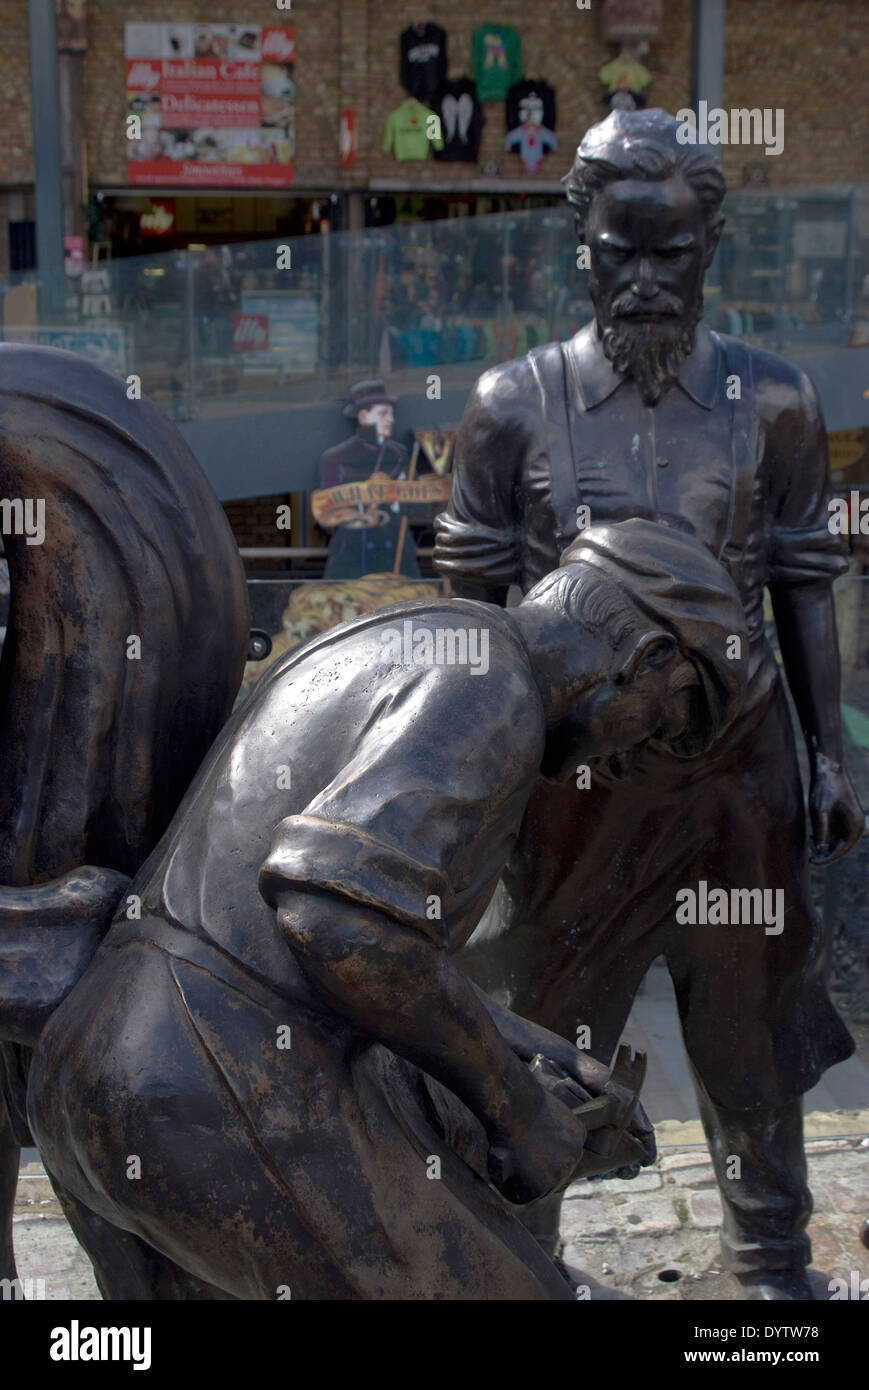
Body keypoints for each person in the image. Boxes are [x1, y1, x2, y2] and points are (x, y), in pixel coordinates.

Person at [27, 520, 747, 1300]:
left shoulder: (410, 637)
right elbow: (338, 923)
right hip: (213, 1084)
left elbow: (367, 938)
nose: (624, 760)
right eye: (659, 723)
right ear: (646, 659)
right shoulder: (491, 688)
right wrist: (517, 1110)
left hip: (105, 1064)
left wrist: (533, 1054)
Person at [434, 107, 864, 1300]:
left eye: (666, 252)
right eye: (615, 249)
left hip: (738, 784)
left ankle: (770, 1265)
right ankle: (521, 1259)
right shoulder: (507, 405)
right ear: (579, 244)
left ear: (709, 244)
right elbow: (463, 625)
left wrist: (829, 756)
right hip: (569, 799)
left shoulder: (774, 401)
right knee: (544, 1034)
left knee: (751, 1030)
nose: (639, 279)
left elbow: (800, 582)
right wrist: (467, 784)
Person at [318, 379, 421, 579]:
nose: (390, 419)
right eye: (383, 413)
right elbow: (327, 515)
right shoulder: (336, 458)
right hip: (353, 551)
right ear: (364, 417)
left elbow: (418, 505)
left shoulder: (400, 455)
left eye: (391, 413)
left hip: (396, 552)